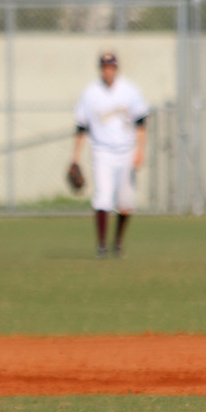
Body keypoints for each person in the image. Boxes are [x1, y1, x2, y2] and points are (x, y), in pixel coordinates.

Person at [71, 52, 149, 259]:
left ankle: (118, 242)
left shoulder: (130, 91)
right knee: (103, 199)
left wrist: (140, 151)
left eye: (111, 67)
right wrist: (75, 158)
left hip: (127, 150)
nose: (108, 71)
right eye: (105, 67)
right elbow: (81, 127)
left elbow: (141, 123)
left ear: (116, 69)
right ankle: (102, 245)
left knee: (126, 202)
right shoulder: (90, 93)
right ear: (100, 69)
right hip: (101, 150)